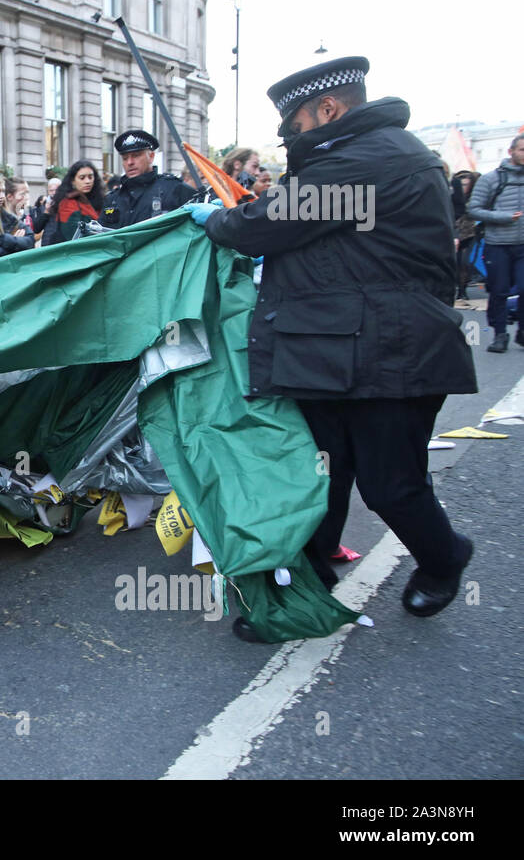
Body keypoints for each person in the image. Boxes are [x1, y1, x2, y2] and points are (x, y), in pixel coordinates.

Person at [191, 55, 477, 640]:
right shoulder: (360, 155)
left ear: (328, 108)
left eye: (294, 125)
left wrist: (221, 220)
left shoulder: (373, 159)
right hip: (336, 345)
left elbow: (264, 225)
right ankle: (311, 584)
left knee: (390, 483)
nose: (291, 137)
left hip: (392, 351)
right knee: (323, 472)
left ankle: (445, 558)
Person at [466, 133, 524, 352]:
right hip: (498, 244)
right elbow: (473, 209)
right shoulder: (491, 179)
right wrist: (504, 216)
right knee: (499, 291)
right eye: (522, 150)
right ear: (511, 152)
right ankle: (500, 334)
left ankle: (522, 331)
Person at [101, 131, 193, 229]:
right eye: (125, 158)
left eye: (136, 155)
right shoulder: (112, 199)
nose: (130, 162)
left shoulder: (174, 189)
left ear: (151, 157)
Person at [44, 159, 106, 246]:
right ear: (73, 181)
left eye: (90, 177)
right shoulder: (67, 203)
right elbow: (73, 235)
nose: (87, 181)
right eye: (82, 178)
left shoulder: (99, 199)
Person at [451, 170, 481, 301]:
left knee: (464, 262)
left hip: (468, 233)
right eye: (462, 184)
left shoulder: (475, 197)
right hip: (452, 232)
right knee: (453, 262)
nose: (464, 187)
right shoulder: (452, 195)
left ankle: (462, 290)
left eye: (466, 184)